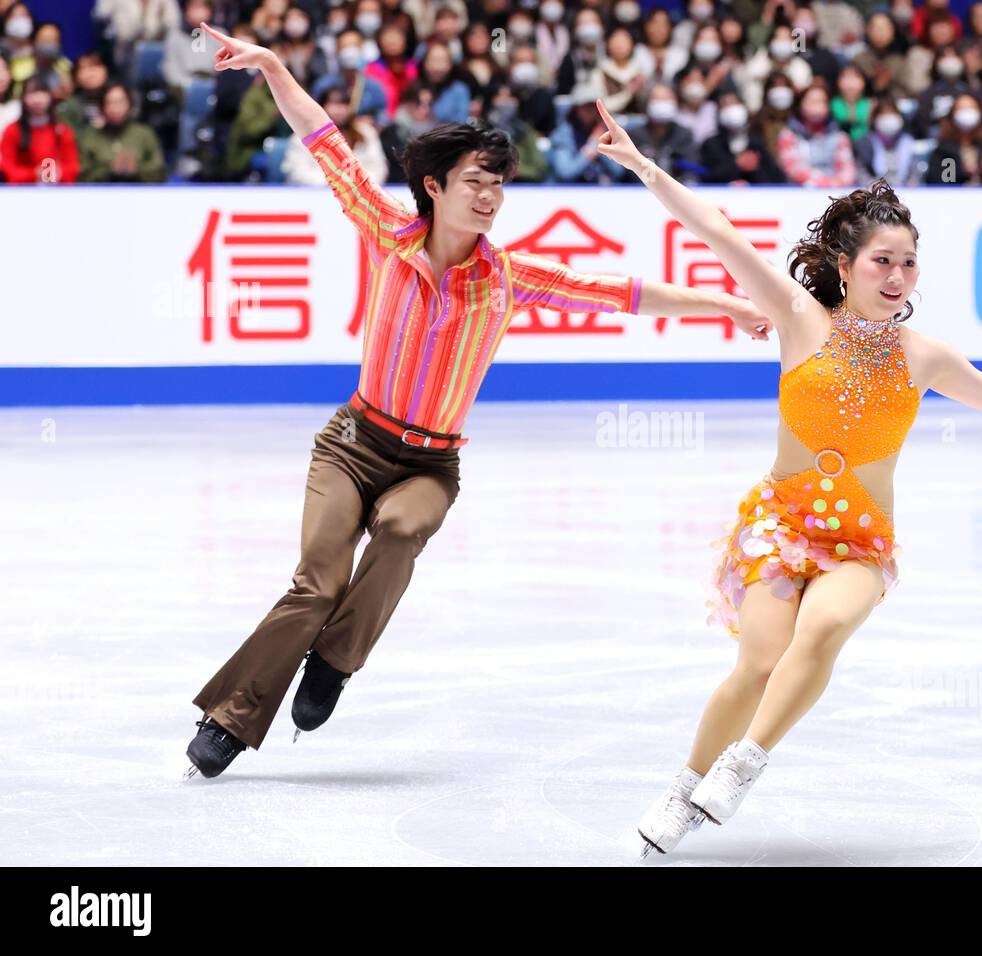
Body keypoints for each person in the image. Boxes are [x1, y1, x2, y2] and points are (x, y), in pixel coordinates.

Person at [184, 23, 768, 779]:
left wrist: (724, 306)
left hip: (430, 463)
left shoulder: (508, 276)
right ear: (435, 186)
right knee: (317, 582)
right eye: (476, 182)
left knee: (401, 528)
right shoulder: (386, 230)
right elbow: (321, 137)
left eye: (500, 184)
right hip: (352, 444)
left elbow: (626, 294)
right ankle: (231, 718)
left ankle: (335, 658)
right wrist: (267, 64)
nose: (492, 198)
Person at [590, 98, 982, 857]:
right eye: (882, 260)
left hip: (857, 540)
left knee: (829, 625)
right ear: (844, 267)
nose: (898, 275)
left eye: (908, 262)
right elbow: (715, 230)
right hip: (779, 527)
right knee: (758, 664)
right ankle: (684, 789)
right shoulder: (797, 315)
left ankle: (744, 766)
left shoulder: (924, 354)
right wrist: (644, 166)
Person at [77, 81, 166, 182]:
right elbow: (82, 175)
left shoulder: (144, 133)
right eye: (109, 102)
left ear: (130, 104)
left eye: (120, 102)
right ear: (102, 106)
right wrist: (110, 170)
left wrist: (136, 170)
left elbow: (159, 172)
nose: (115, 108)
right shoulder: (89, 136)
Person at [0, 74, 77, 183]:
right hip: (21, 192)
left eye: (42, 93)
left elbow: (72, 167)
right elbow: (7, 169)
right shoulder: (13, 130)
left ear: (50, 96)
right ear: (23, 98)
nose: (37, 100)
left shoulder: (62, 130)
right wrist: (34, 174)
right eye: (32, 93)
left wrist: (58, 173)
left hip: (57, 191)